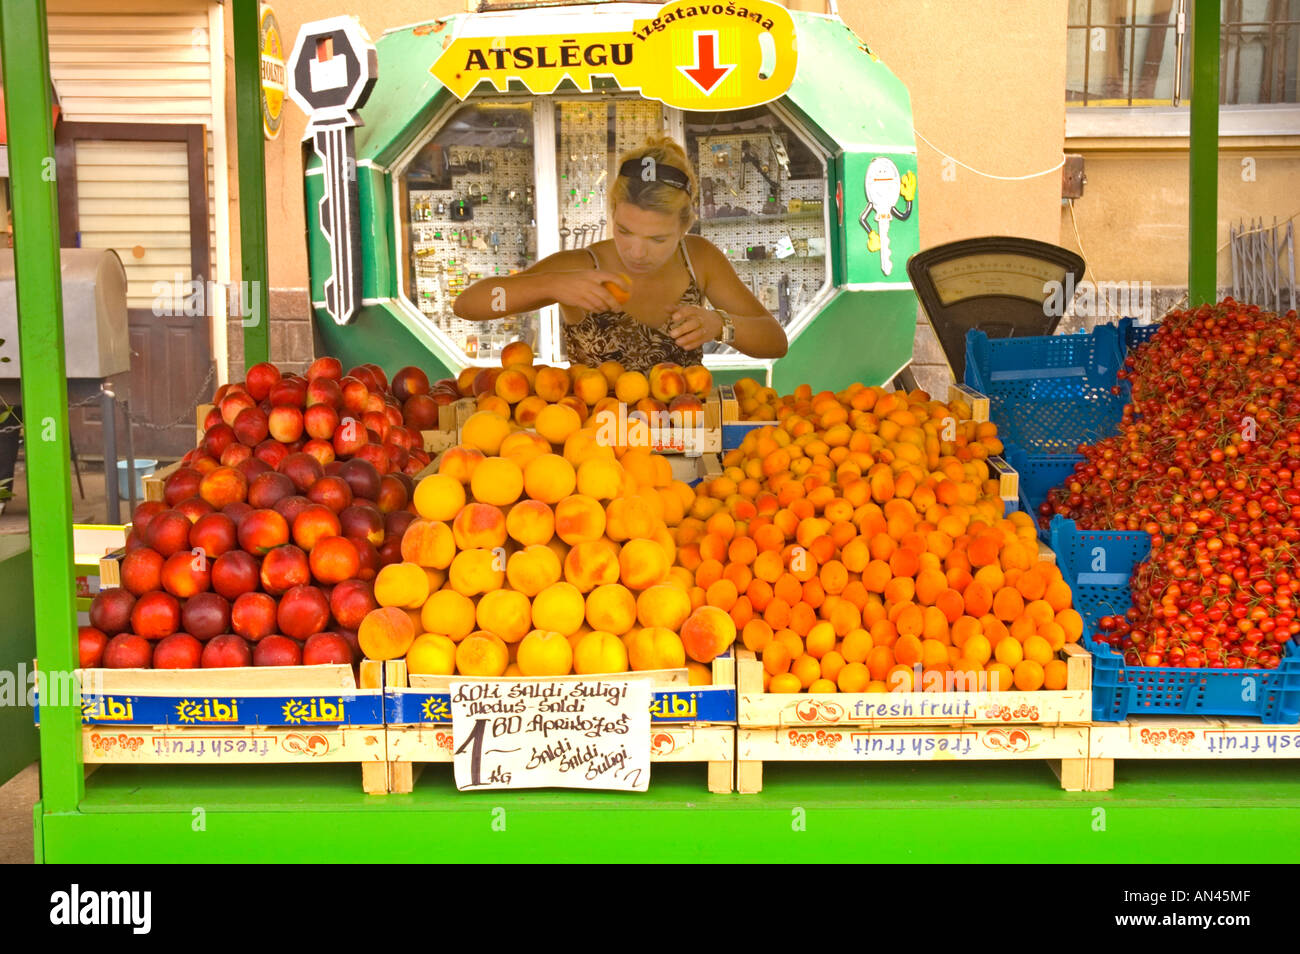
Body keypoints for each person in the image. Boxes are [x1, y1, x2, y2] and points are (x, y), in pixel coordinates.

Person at [453, 136, 788, 373]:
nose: (637, 251)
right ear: (613, 210)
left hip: (685, 444)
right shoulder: (580, 265)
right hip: (595, 458)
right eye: (625, 230)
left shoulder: (699, 259)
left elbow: (775, 342)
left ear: (685, 224)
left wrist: (720, 324)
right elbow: (470, 305)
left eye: (657, 238)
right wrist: (551, 285)